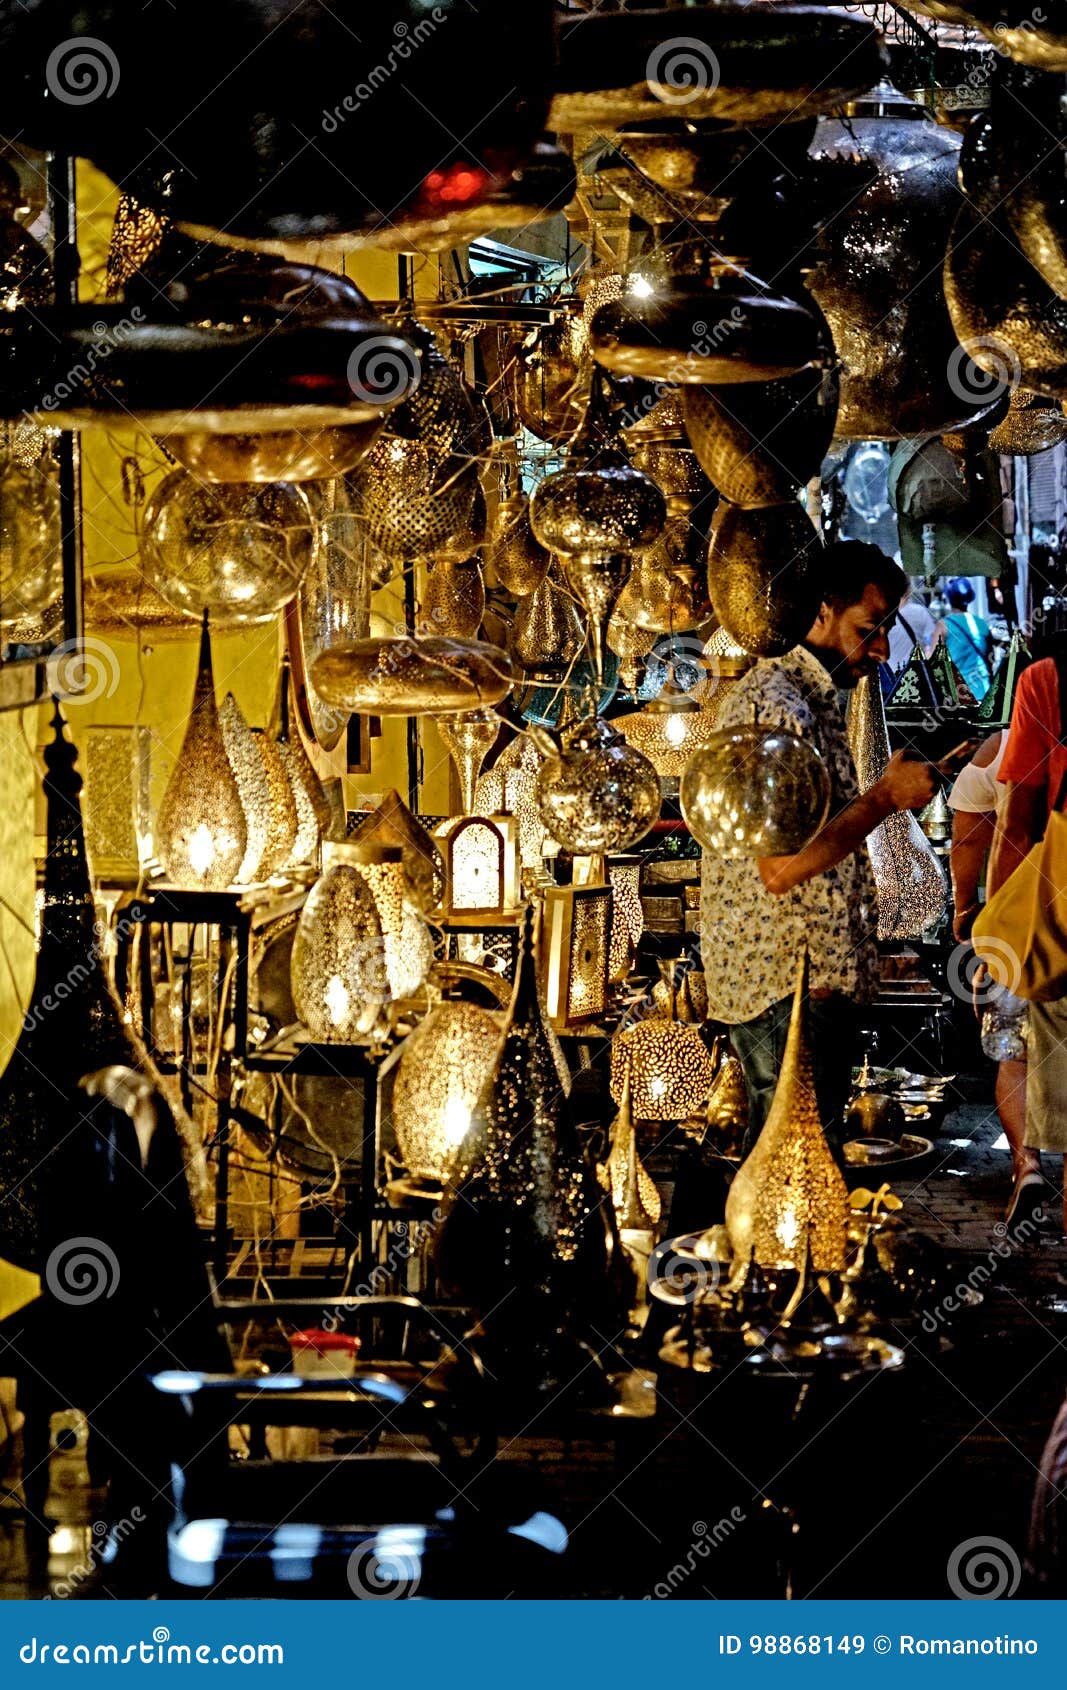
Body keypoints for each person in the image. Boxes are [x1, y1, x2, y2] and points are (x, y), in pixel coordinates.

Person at [700, 541, 940, 1147]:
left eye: (887, 630)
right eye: (869, 628)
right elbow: (782, 869)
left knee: (807, 1163)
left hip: (808, 983)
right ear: (821, 611)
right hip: (785, 984)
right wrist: (883, 800)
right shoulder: (776, 708)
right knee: (789, 1164)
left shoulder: (811, 701)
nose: (881, 649)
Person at [948, 730, 1046, 1228]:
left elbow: (969, 838)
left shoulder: (1001, 747)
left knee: (1015, 1054)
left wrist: (966, 911)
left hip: (1020, 919)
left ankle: (1026, 1165)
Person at [989, 645, 1067, 1235]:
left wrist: (998, 934)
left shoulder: (1049, 681)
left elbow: (1016, 823)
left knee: (1018, 1050)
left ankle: (1028, 1165)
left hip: (1061, 920)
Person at [943, 577, 993, 701]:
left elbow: (931, 662)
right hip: (984, 691)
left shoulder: (943, 626)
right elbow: (990, 659)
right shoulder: (982, 624)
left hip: (958, 694)